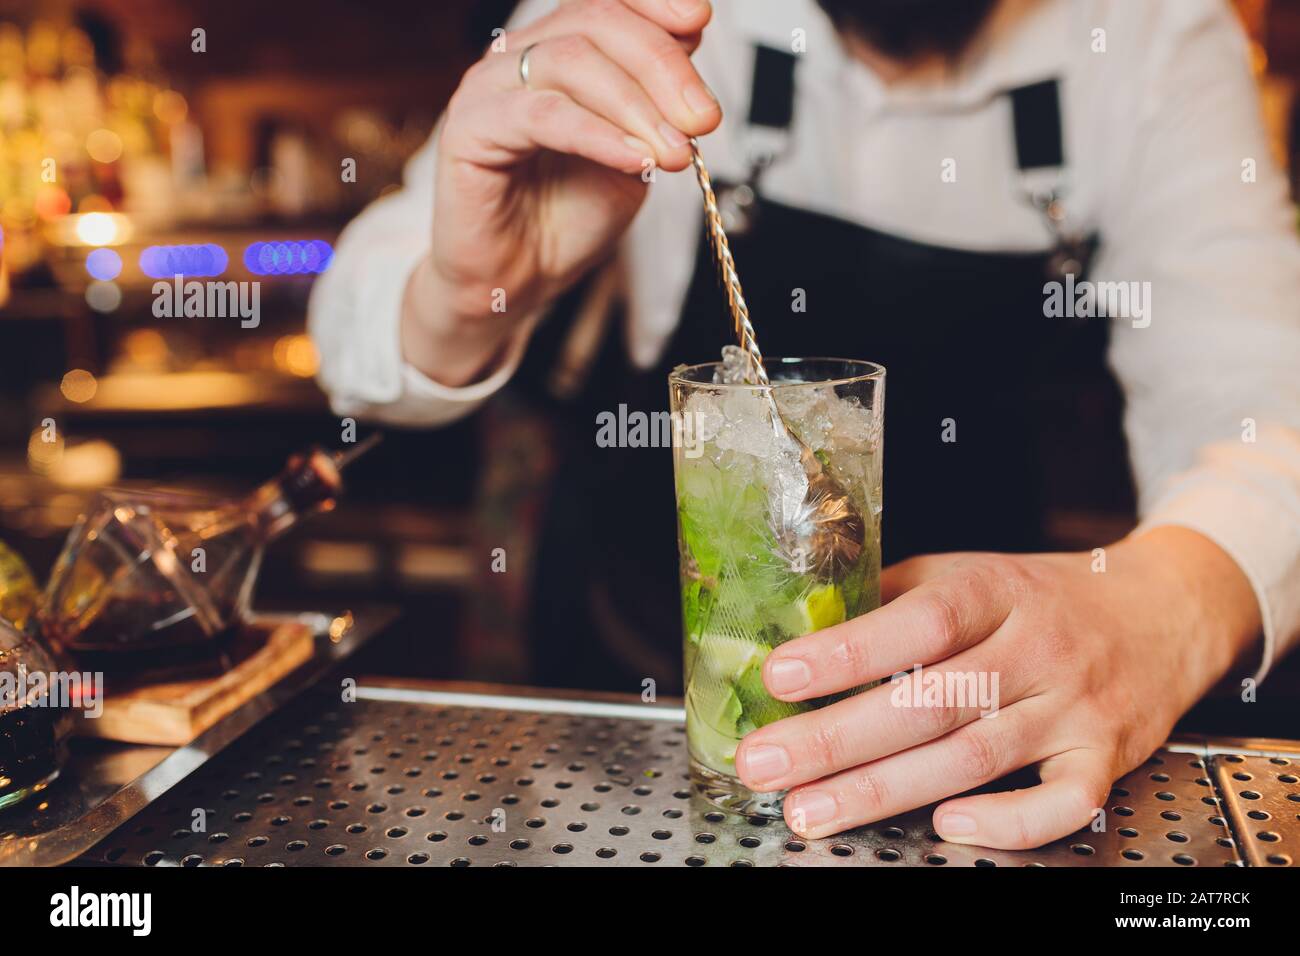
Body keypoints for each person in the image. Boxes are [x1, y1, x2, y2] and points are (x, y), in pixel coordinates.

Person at [309, 0, 1300, 849]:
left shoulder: (1150, 32)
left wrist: (1156, 606)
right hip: (631, 714)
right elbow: (356, 334)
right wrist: (469, 289)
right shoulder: (653, 19)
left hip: (969, 743)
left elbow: (1270, 409)